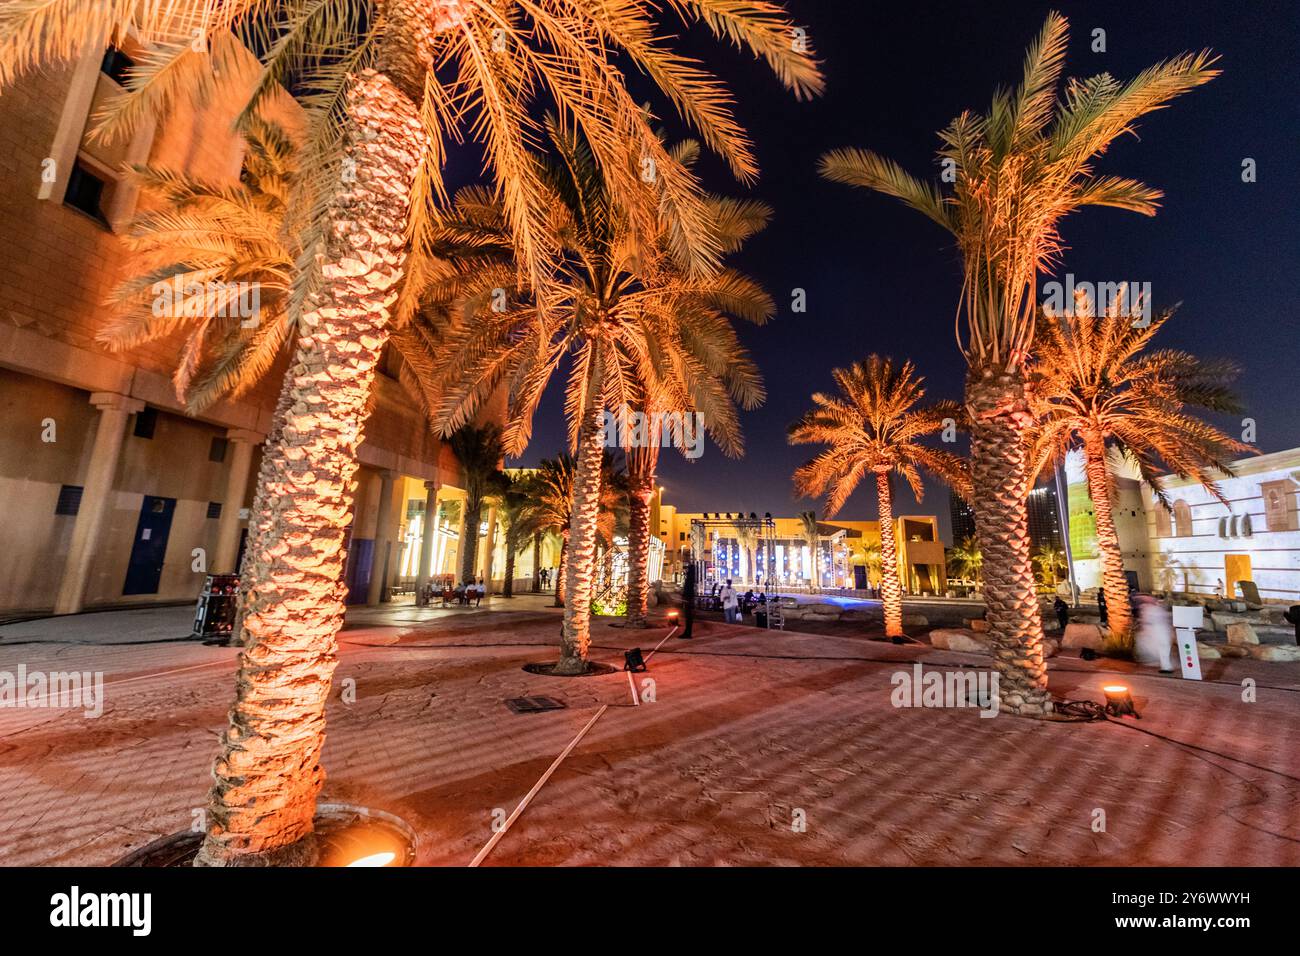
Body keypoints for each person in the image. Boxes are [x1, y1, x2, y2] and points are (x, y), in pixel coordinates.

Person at [1134, 594, 1175, 673]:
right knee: (1161, 650)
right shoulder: (1149, 608)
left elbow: (1150, 620)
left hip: (1159, 632)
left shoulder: (1154, 609)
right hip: (1157, 632)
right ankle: (1166, 667)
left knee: (1162, 650)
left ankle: (1166, 667)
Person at [681, 562, 696, 640]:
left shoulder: (689, 579)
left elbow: (688, 589)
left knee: (688, 617)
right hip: (688, 599)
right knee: (688, 617)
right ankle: (687, 632)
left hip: (688, 599)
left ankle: (688, 633)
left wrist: (685, 598)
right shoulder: (691, 578)